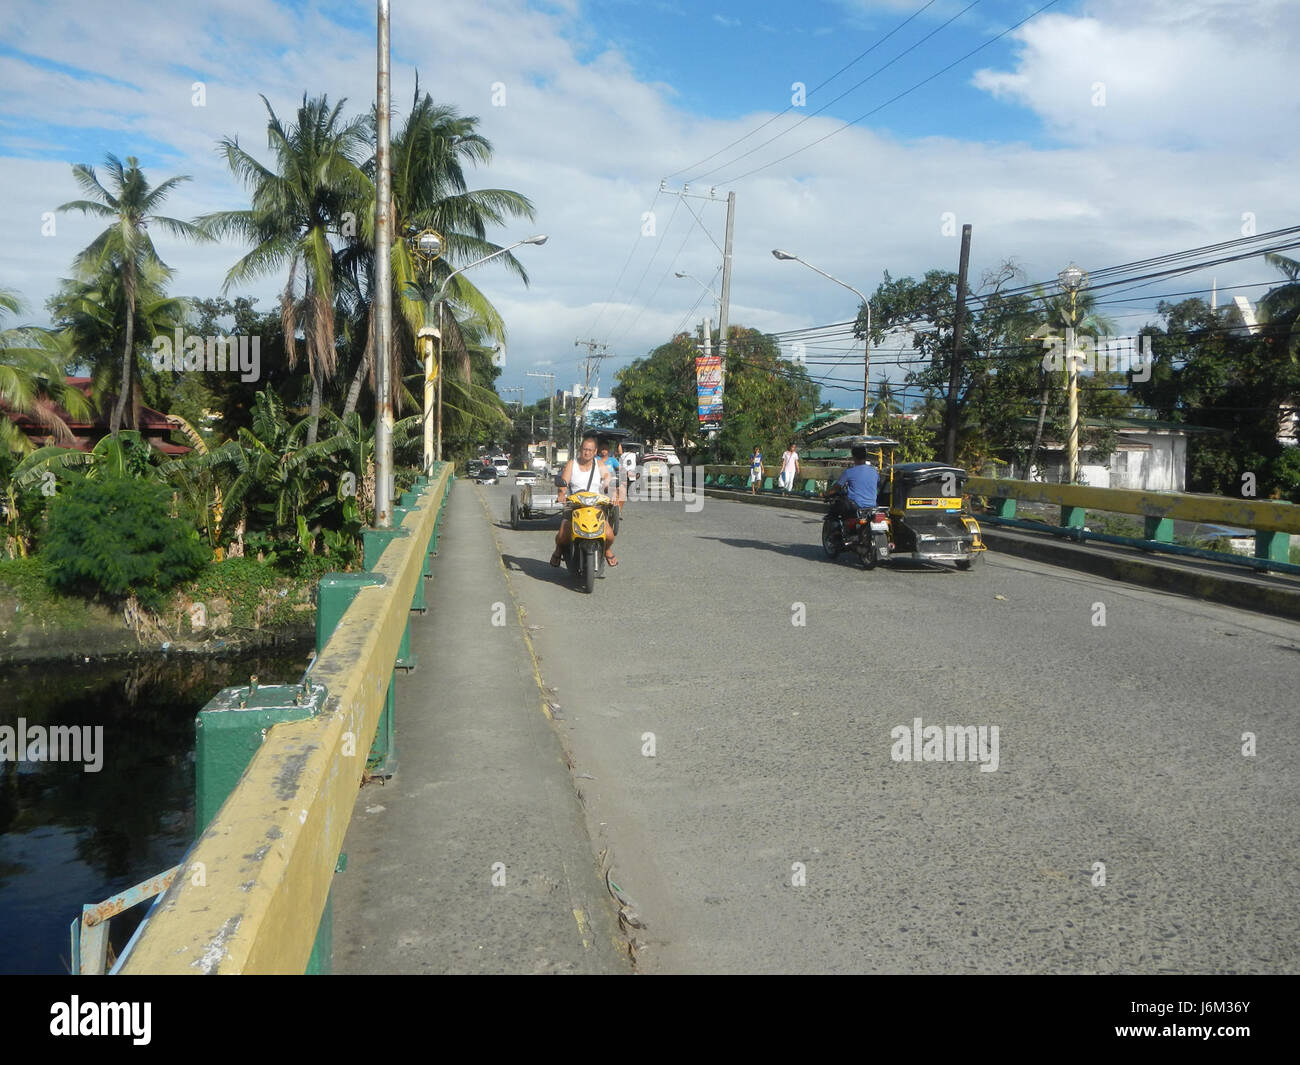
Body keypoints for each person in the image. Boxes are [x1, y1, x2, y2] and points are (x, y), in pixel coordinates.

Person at [551, 435, 617, 566]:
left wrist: (612, 493)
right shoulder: (572, 464)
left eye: (590, 450)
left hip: (596, 506)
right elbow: (563, 483)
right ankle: (558, 550)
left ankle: (607, 549)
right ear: (580, 450)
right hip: (575, 506)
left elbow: (607, 480)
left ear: (595, 451)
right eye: (584, 449)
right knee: (562, 535)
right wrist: (561, 494)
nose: (586, 452)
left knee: (609, 535)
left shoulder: (599, 464)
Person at [824, 444, 881, 526]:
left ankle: (836, 531)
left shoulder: (849, 472)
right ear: (865, 457)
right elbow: (877, 485)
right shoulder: (874, 472)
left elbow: (836, 488)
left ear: (854, 457)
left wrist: (826, 494)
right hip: (872, 505)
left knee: (836, 507)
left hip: (855, 506)